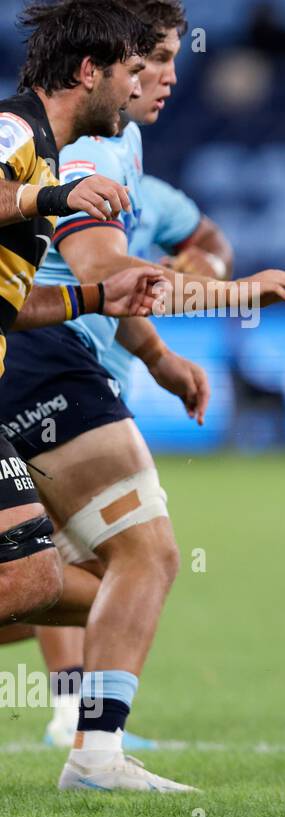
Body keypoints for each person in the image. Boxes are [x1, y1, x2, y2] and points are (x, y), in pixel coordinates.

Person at [0, 0, 285, 792]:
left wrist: (149, 341)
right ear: (101, 68)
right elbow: (108, 271)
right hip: (49, 368)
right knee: (143, 552)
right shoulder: (41, 146)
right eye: (150, 61)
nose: (168, 77)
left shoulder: (103, 151)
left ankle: (87, 734)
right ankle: (94, 750)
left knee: (43, 579)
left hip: (33, 349)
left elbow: (87, 290)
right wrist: (233, 292)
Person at [0, 0, 166, 633]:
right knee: (38, 577)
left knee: (36, 578)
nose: (135, 85)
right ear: (90, 70)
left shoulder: (43, 156)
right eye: (129, 69)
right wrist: (56, 196)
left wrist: (98, 299)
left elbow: (11, 309)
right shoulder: (16, 131)